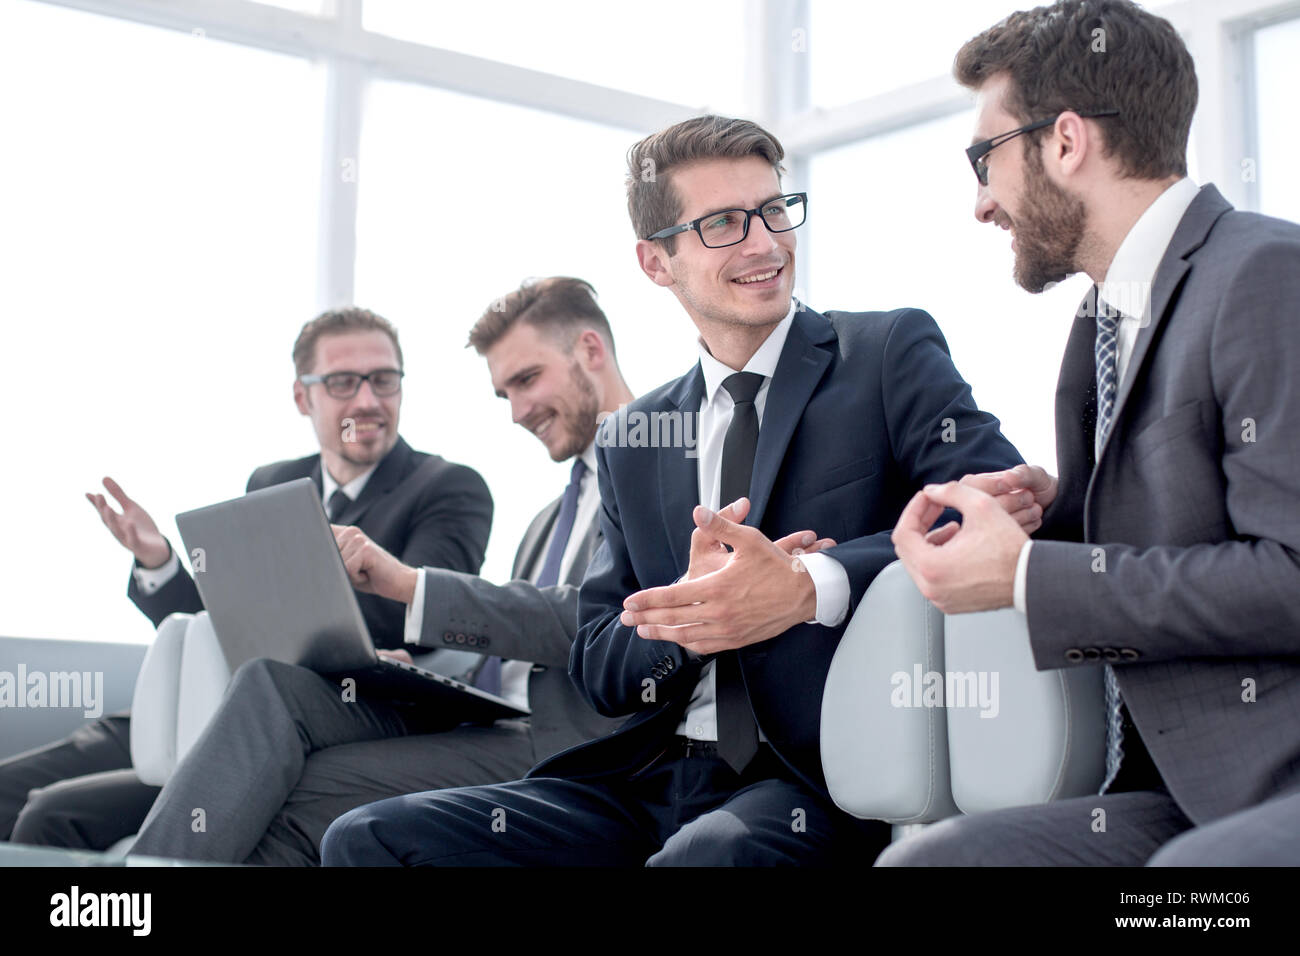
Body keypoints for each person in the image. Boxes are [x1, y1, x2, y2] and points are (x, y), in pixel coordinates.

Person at [321, 115, 1027, 867]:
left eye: (773, 211)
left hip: (808, 779)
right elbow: (599, 659)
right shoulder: (635, 436)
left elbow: (989, 507)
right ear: (657, 262)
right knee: (369, 839)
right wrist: (688, 616)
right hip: (640, 777)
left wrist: (808, 583)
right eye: (723, 223)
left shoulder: (884, 354)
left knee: (704, 857)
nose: (764, 243)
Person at [882, 0, 1300, 866]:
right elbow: (1183, 532)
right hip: (1176, 795)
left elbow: (1292, 573)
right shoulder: (1100, 323)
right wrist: (1049, 517)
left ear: (1065, 142)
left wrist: (1033, 576)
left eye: (983, 158)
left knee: (1189, 889)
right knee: (927, 863)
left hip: (1274, 781)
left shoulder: (1265, 273)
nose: (980, 203)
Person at [127, 277, 664, 865]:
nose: (517, 412)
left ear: (591, 350)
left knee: (302, 795)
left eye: (527, 380)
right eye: (504, 393)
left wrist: (409, 586)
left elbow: (601, 620)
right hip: (487, 719)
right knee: (269, 684)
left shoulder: (662, 472)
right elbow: (512, 643)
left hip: (569, 743)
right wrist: (418, 673)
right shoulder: (546, 521)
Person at [0, 306, 492, 850]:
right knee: (16, 792)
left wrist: (272, 606)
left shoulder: (449, 488)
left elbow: (421, 611)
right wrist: (159, 559)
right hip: (222, 700)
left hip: (328, 715)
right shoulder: (275, 482)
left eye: (384, 379)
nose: (368, 401)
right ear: (303, 397)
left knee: (54, 815)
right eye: (343, 382)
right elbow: (226, 618)